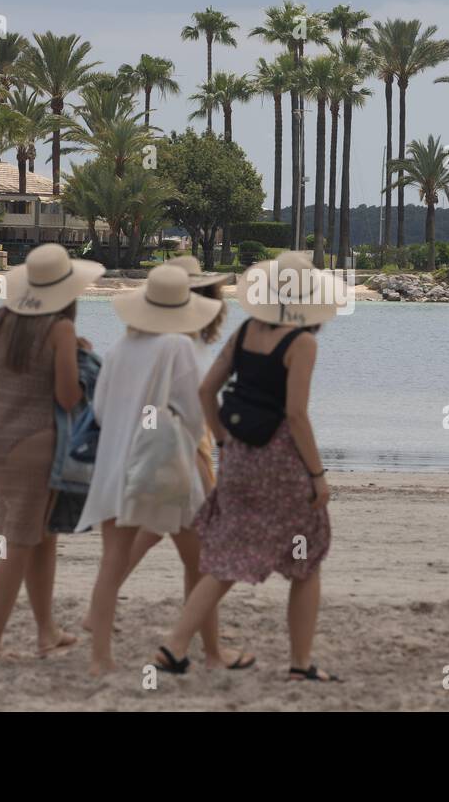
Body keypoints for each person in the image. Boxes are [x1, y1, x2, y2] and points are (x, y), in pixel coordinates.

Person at [153, 251, 346, 683]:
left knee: (227, 559)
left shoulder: (245, 332)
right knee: (307, 557)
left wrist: (223, 440)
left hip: (238, 458)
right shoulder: (302, 343)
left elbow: (207, 391)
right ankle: (299, 664)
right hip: (281, 463)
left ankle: (175, 644)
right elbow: (296, 414)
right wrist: (317, 474)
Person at [79, 255, 253, 670]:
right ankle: (209, 653)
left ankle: (100, 658)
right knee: (201, 562)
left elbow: (100, 410)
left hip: (115, 464)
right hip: (169, 471)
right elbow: (195, 414)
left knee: (112, 565)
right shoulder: (178, 345)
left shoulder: (123, 345)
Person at [0, 243, 104, 662]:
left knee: (41, 538)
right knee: (19, 544)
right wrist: (78, 359)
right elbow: (68, 397)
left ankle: (46, 632)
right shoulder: (60, 330)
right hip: (37, 444)